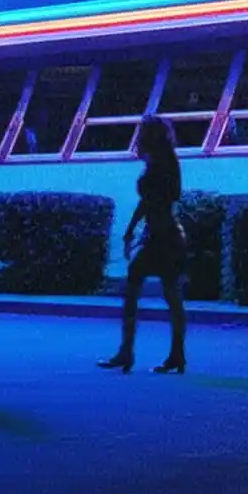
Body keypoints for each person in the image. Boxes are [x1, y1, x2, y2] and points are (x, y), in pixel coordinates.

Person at [99, 115, 188, 375]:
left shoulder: (158, 165)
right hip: (166, 234)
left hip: (159, 237)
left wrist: (131, 232)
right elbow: (154, 200)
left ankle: (127, 352)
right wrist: (131, 230)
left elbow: (150, 201)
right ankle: (176, 355)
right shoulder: (167, 162)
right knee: (171, 295)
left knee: (134, 292)